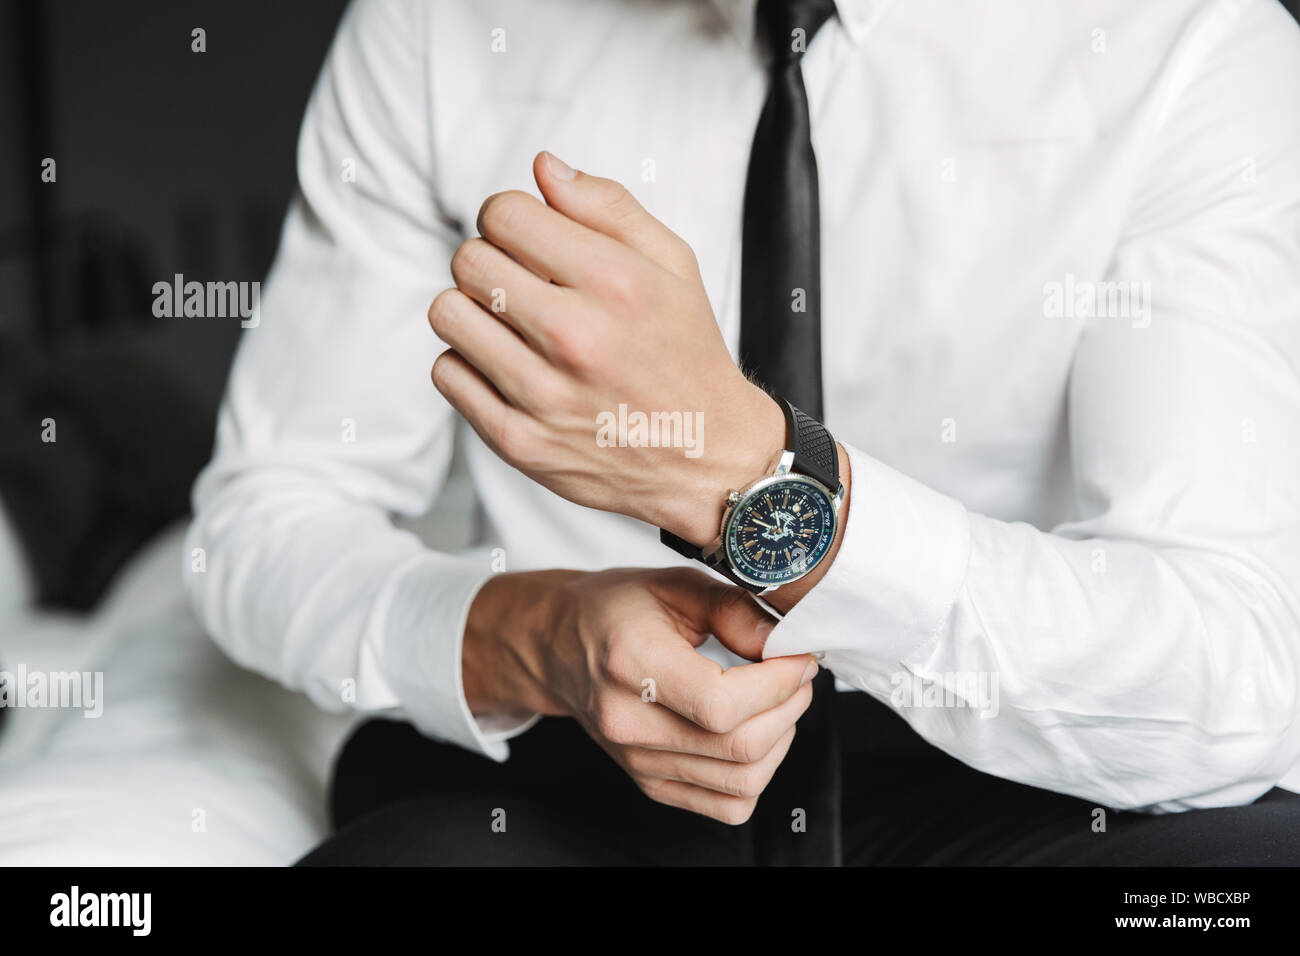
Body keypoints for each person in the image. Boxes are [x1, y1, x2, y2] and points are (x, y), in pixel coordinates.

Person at [186, 0, 1300, 865]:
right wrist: (530, 634)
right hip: (584, 755)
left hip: (1034, 779)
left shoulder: (1189, 45)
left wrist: (749, 476)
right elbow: (260, 520)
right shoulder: (436, 27)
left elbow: (1234, 661)